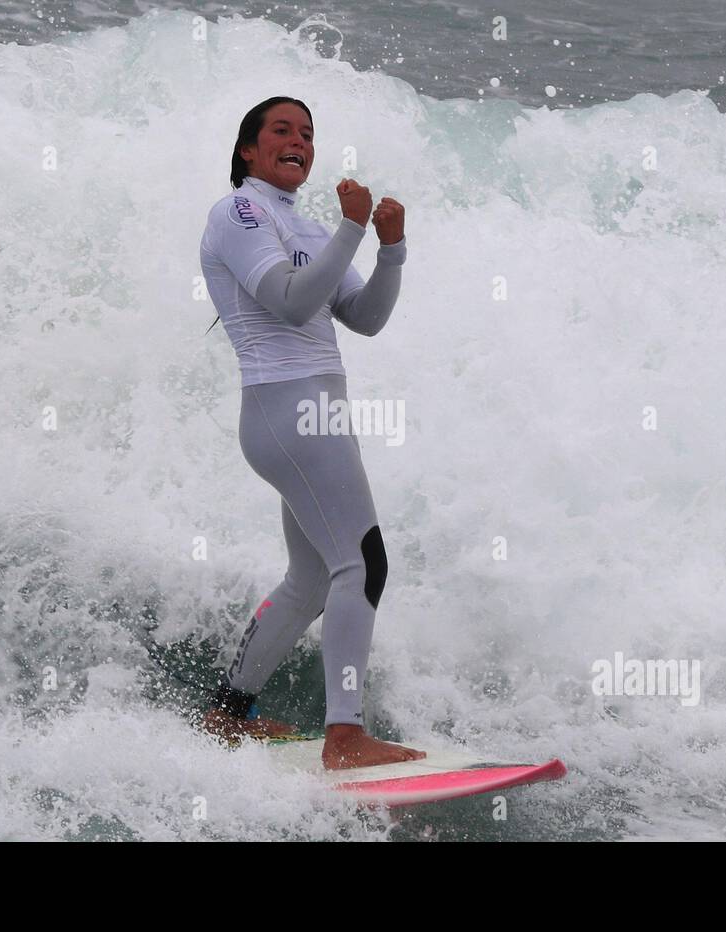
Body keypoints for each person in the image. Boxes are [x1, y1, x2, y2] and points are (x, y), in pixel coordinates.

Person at [197, 96, 425, 769]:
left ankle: (225, 714)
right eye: (281, 131)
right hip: (288, 409)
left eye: (307, 134)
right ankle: (346, 736)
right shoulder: (240, 213)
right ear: (249, 149)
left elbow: (363, 316)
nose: (297, 142)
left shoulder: (306, 225)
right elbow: (292, 305)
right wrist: (353, 230)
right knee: (365, 562)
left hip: (315, 414)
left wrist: (391, 251)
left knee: (315, 578)